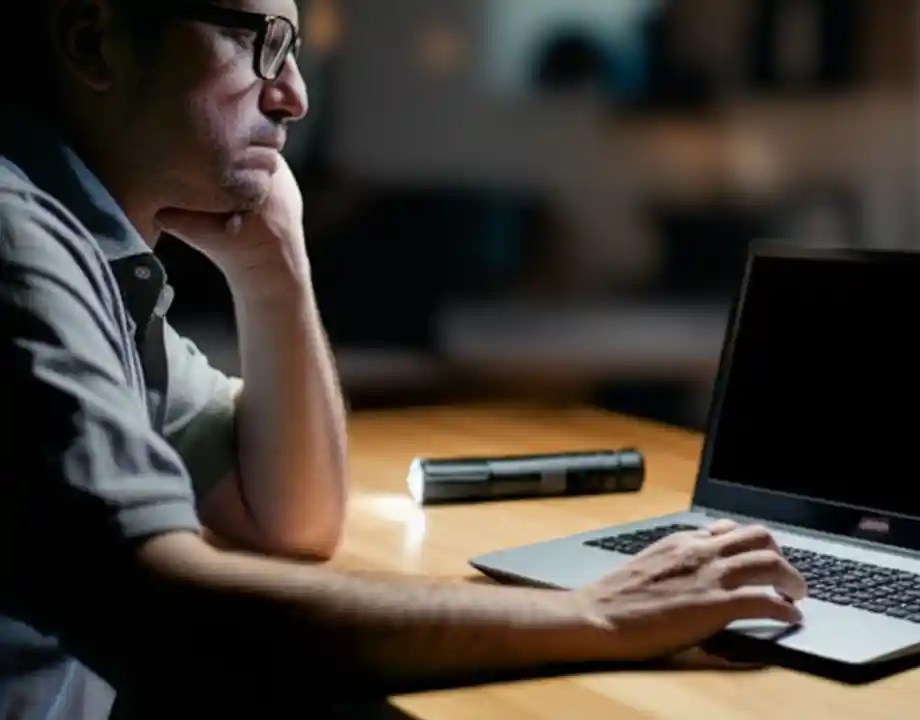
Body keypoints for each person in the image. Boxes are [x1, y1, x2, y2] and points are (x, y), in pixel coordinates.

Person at [0, 1, 807, 717]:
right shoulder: (16, 237)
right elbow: (164, 612)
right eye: (256, 42)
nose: (293, 96)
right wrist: (603, 613)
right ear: (91, 41)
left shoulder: (94, 265)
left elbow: (290, 520)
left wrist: (276, 270)